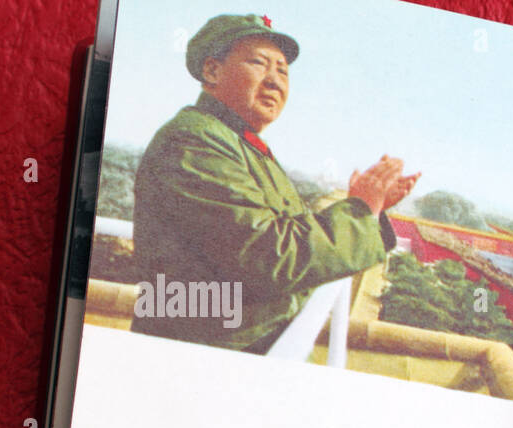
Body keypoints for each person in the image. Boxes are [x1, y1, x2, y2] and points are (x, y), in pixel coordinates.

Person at [131, 13, 420, 351]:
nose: (275, 81)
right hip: (212, 352)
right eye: (259, 63)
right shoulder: (193, 141)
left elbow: (289, 235)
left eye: (283, 70)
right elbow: (271, 255)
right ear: (212, 70)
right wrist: (360, 209)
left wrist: (373, 210)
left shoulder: (241, 144)